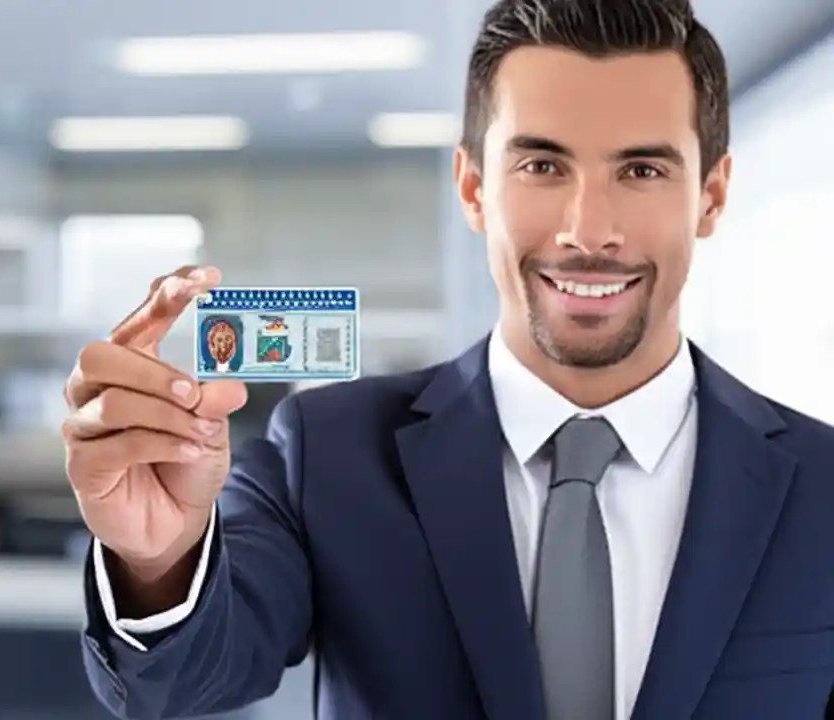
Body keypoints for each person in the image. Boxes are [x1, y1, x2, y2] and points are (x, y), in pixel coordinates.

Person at [60, 1, 834, 718]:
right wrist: (157, 560)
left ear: (711, 195)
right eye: (542, 166)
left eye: (641, 170)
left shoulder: (822, 488)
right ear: (471, 187)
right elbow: (179, 679)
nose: (589, 231)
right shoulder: (328, 452)